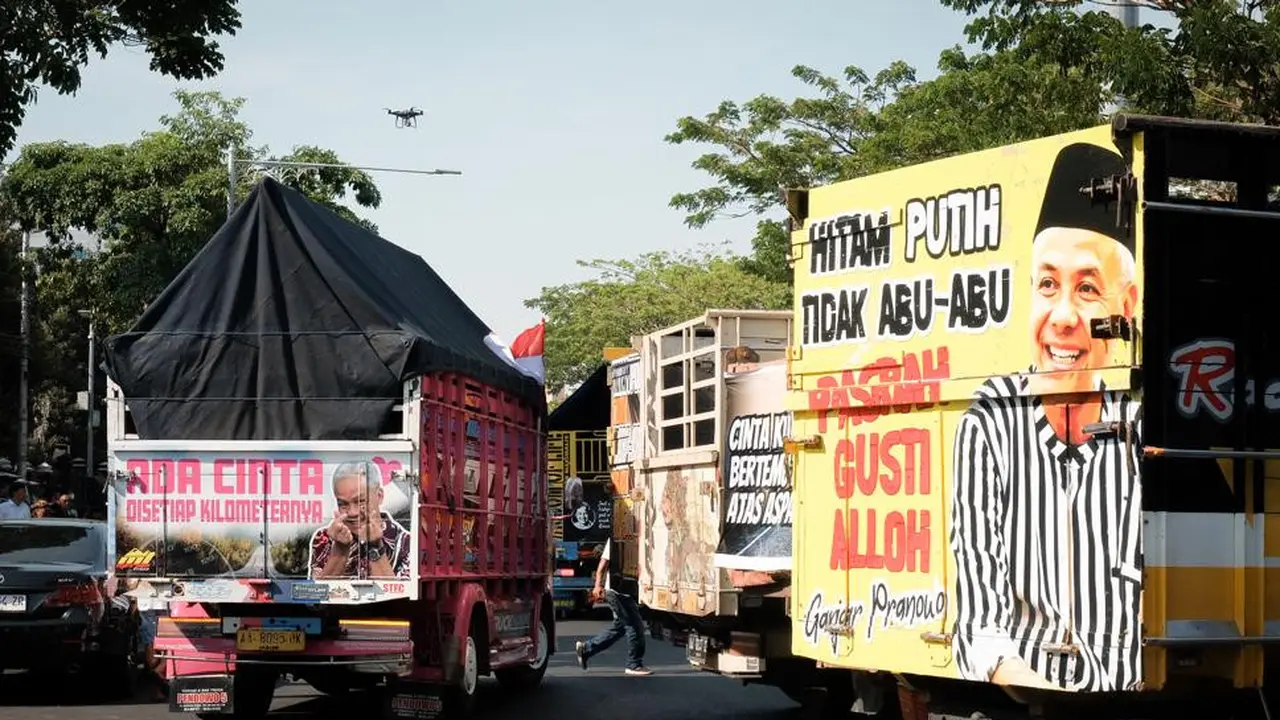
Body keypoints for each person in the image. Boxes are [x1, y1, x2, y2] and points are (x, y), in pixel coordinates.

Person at [948, 141, 1143, 693]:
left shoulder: (1145, 427)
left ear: (1124, 309)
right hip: (1027, 691)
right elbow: (981, 624)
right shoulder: (991, 421)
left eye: (1087, 290)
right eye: (1048, 285)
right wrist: (1045, 697)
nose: (1062, 317)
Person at [307, 461, 412, 579]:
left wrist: (375, 547)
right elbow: (319, 592)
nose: (352, 512)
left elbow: (397, 595)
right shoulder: (324, 538)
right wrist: (340, 550)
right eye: (343, 504)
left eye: (360, 502)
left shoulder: (405, 543)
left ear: (379, 496)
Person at [574, 537, 652, 675]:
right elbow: (602, 565)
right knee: (635, 627)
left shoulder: (641, 537)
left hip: (626, 591)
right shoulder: (615, 540)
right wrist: (597, 585)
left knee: (619, 628)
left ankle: (587, 649)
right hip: (617, 592)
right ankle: (634, 664)